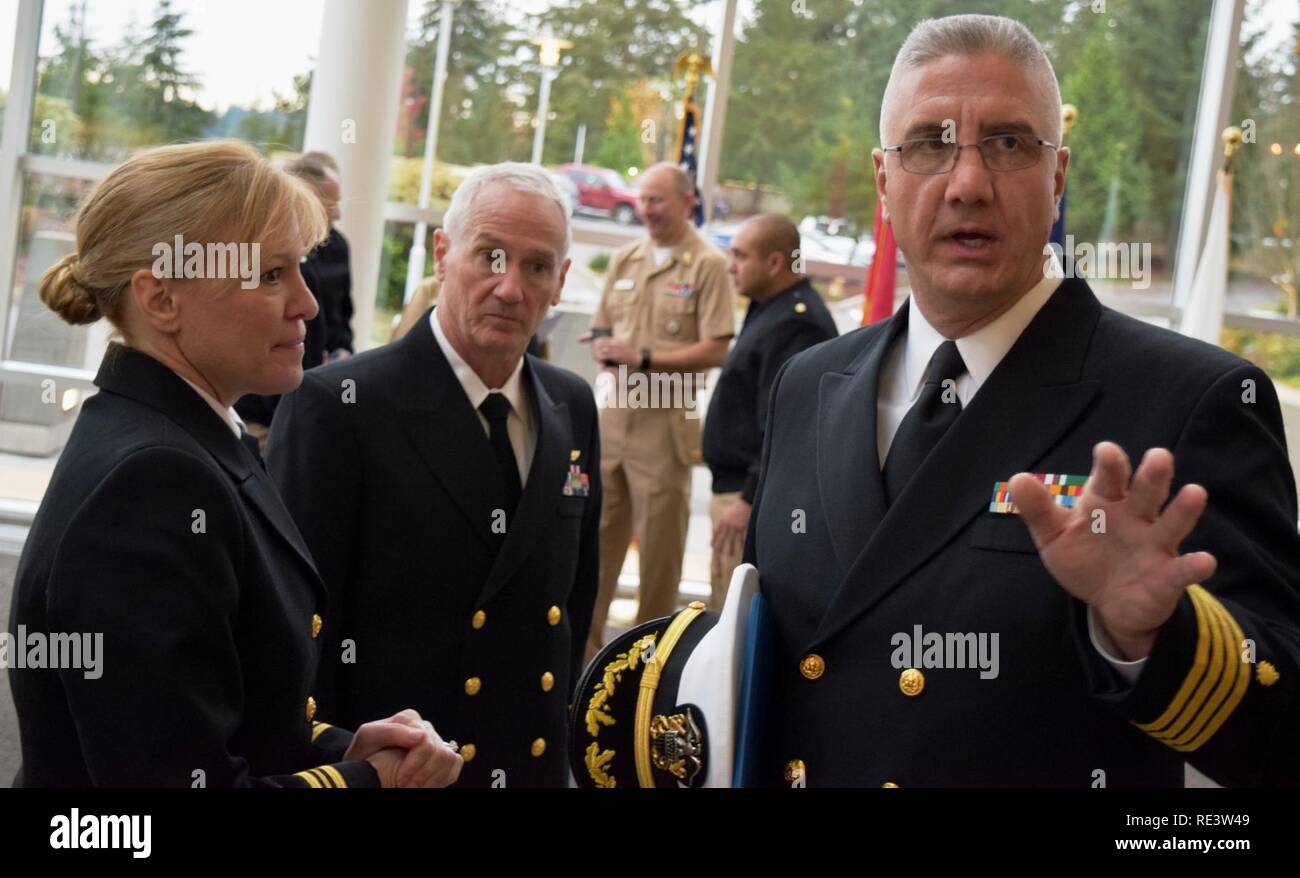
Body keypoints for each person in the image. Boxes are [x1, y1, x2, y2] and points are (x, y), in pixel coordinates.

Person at [745, 14, 1300, 787]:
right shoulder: (808, 384)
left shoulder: (1191, 401)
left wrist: (1147, 640)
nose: (967, 183)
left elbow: (1282, 726)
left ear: (1059, 177)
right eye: (930, 144)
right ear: (883, 179)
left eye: (1009, 144)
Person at [7, 141, 461, 788]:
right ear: (162, 299)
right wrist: (373, 780)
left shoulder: (185, 441)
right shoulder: (152, 484)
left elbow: (224, 711)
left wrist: (341, 745)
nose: (307, 303)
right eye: (271, 275)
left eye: (299, 269)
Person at [267, 162, 600, 787]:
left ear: (560, 282)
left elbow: (574, 597)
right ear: (444, 255)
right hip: (401, 770)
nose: (510, 287)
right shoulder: (341, 404)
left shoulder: (571, 404)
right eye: (490, 255)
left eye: (536, 266)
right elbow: (297, 626)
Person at [584, 162, 734, 656]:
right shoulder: (626, 258)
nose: (645, 210)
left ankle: (645, 674)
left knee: (659, 562)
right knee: (595, 551)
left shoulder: (707, 265)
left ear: (687, 203)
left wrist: (645, 358)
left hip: (666, 423)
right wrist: (604, 345)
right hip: (613, 419)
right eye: (642, 200)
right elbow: (605, 327)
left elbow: (717, 348)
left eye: (656, 200)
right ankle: (582, 669)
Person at [704, 215, 837, 609]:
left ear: (776, 263)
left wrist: (747, 499)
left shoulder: (796, 324)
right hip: (736, 493)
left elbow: (788, 427)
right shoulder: (769, 308)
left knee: (735, 624)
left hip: (749, 502)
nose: (730, 265)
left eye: (741, 256)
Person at [234, 151, 354, 439]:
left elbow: (345, 314)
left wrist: (343, 354)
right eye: (272, 275)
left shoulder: (338, 246)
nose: (337, 212)